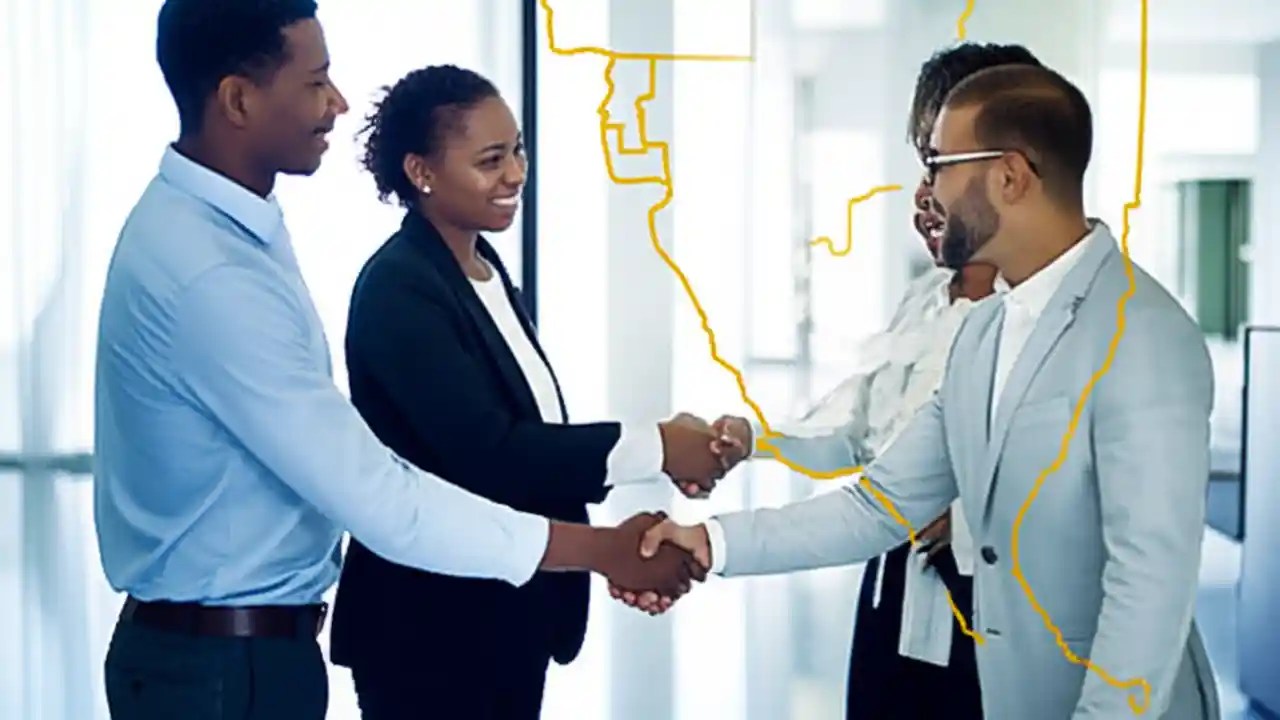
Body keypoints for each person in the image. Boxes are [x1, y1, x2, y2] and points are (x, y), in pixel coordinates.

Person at [93, 3, 704, 719]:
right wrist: (603, 546)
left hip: (247, 654)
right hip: (228, 669)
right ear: (238, 100)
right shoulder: (213, 272)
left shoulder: (229, 232)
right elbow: (385, 495)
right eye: (315, 82)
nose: (337, 103)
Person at [630, 63, 1223, 719]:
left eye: (939, 164)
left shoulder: (1141, 332)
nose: (926, 189)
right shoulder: (985, 332)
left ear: (1010, 176)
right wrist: (710, 540)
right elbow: (877, 506)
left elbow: (1150, 582)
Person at [326, 64, 728, 719]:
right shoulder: (400, 287)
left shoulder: (479, 266)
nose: (515, 174)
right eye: (490, 160)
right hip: (431, 635)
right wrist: (657, 449)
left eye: (517, 151)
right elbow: (491, 453)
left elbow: (531, 436)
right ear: (421, 172)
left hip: (504, 621)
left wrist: (659, 466)